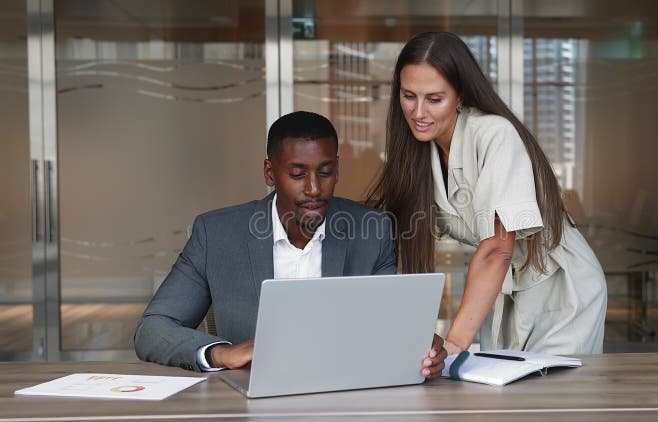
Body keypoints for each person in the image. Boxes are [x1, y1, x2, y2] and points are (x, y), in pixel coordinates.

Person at [135, 111, 446, 378]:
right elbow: (153, 329)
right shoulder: (217, 234)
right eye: (297, 174)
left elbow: (386, 328)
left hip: (343, 396)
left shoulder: (372, 230)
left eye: (325, 173)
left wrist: (419, 349)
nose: (314, 188)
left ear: (337, 169)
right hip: (249, 400)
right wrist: (222, 353)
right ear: (270, 173)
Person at [366, 32, 607, 357]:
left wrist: (452, 345)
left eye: (434, 99)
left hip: (562, 291)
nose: (418, 112)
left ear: (461, 96)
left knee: (551, 390)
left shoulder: (495, 135)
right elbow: (390, 233)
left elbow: (496, 249)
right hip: (506, 294)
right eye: (409, 96)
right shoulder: (418, 153)